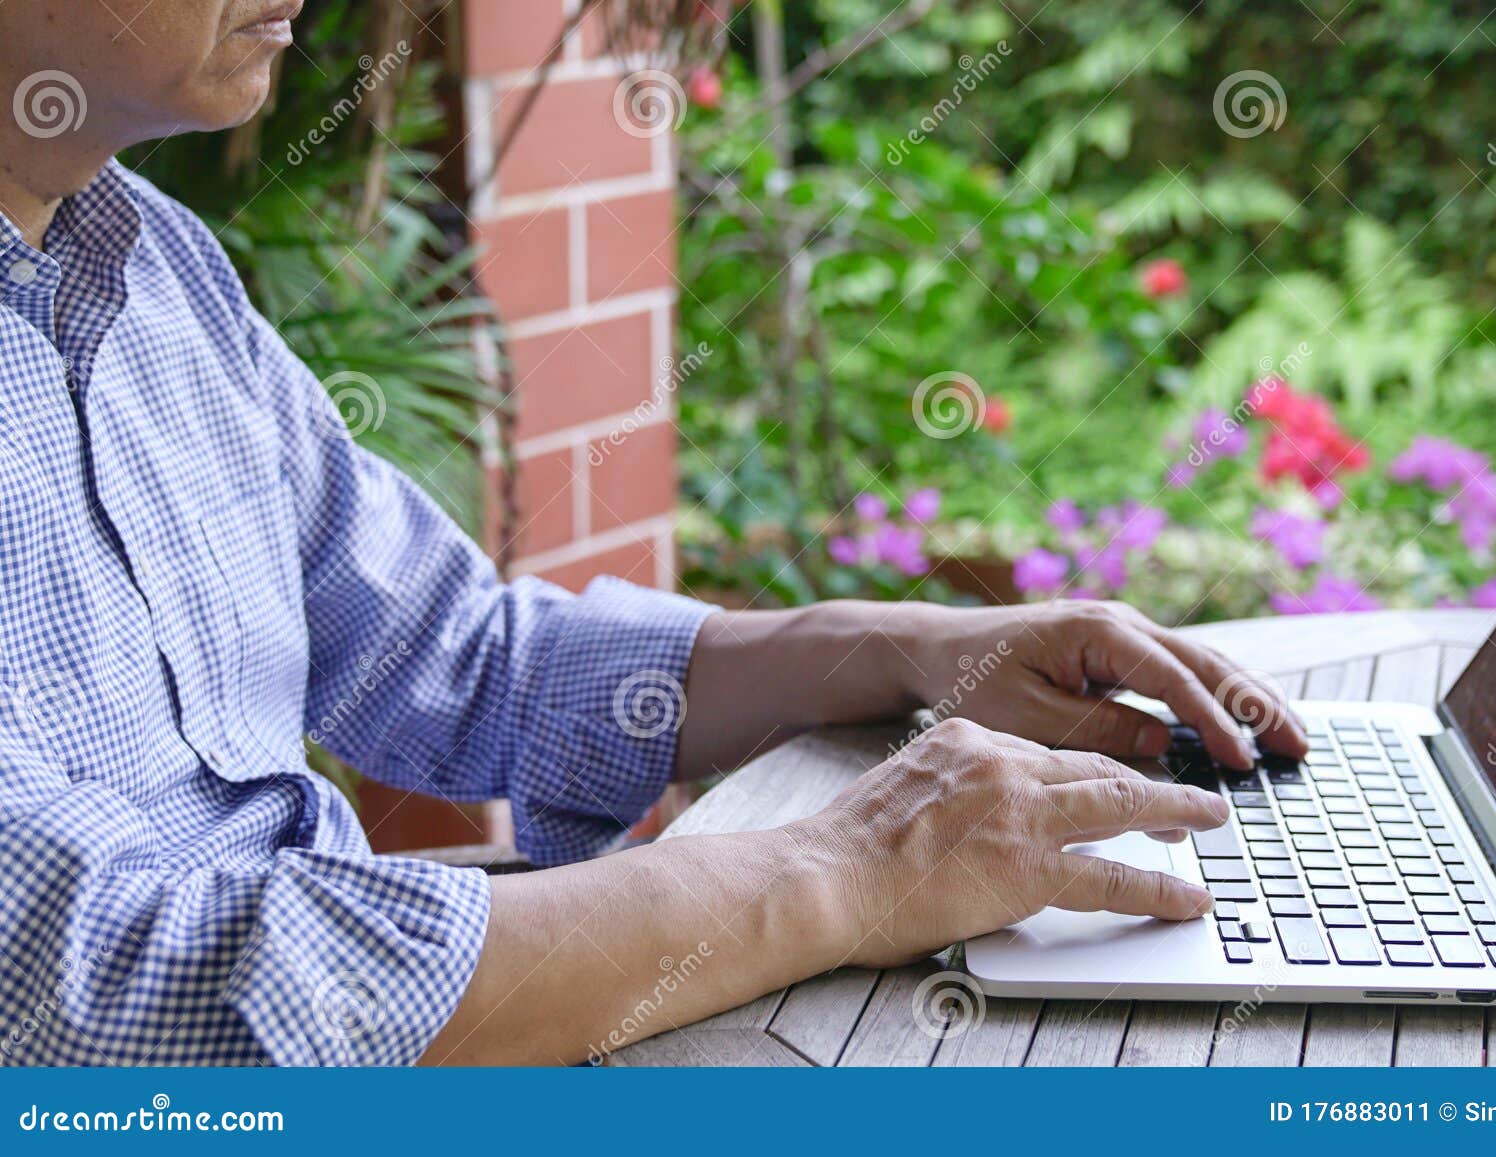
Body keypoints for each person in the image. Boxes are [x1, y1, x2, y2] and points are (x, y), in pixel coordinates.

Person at [0, 0, 1304, 1067]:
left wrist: (914, 648)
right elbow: (109, 987)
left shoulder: (158, 268)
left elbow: (461, 658)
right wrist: (836, 874)